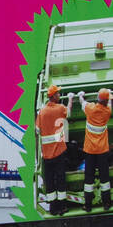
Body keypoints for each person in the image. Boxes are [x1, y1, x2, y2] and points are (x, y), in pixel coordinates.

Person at [35, 84, 74, 216]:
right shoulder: (59, 108)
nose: (59, 95)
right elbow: (68, 112)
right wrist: (70, 99)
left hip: (46, 155)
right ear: (53, 96)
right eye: (58, 93)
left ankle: (53, 208)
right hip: (58, 152)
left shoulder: (42, 111)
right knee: (60, 179)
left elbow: (38, 130)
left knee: (50, 181)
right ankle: (62, 207)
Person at [79, 87, 113, 212]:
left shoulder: (90, 109)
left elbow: (82, 102)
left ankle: (87, 205)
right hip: (102, 151)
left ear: (98, 99)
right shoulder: (107, 111)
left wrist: (81, 95)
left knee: (89, 179)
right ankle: (106, 204)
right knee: (105, 178)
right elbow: (109, 103)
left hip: (90, 151)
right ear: (105, 101)